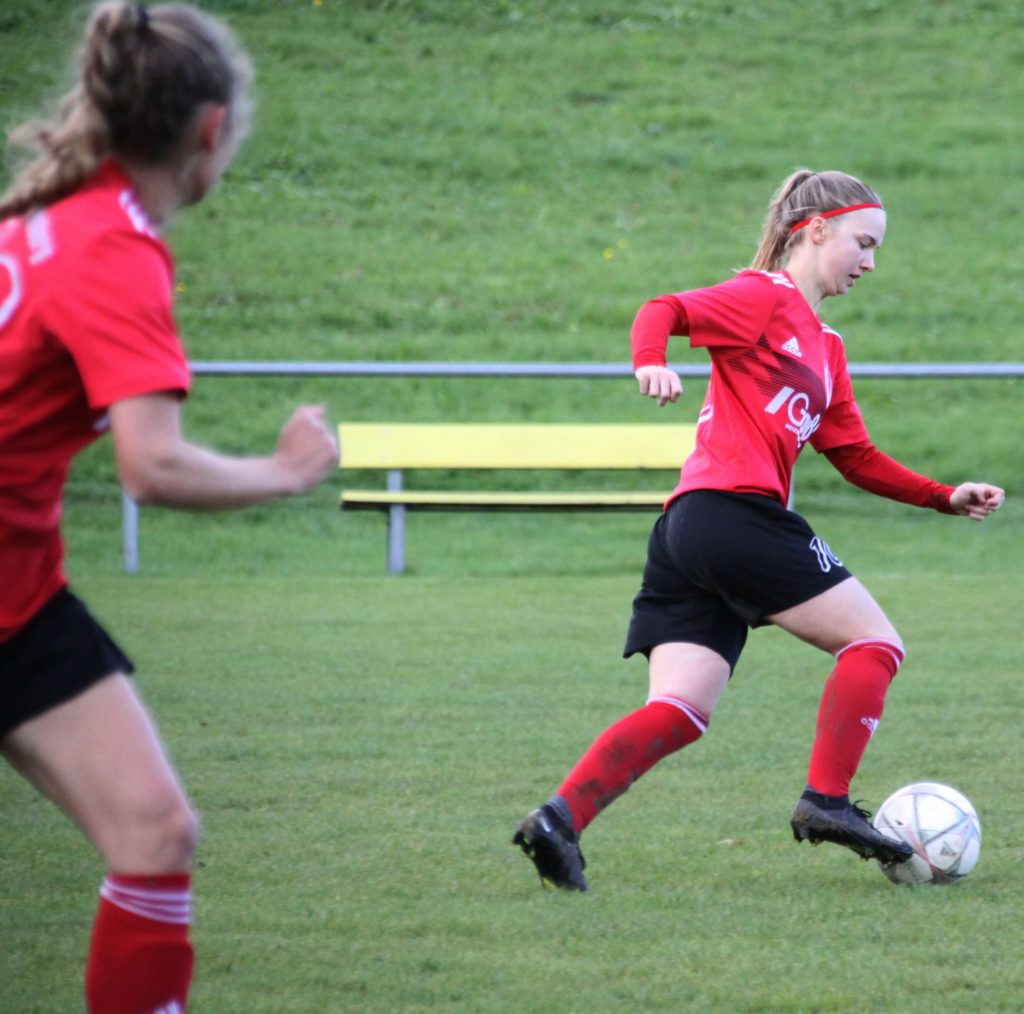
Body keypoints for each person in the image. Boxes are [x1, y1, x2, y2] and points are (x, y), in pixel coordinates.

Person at [512, 169, 1005, 892]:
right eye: (864, 243)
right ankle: (826, 800)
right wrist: (651, 365)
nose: (870, 263)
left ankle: (558, 821)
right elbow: (662, 309)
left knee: (681, 710)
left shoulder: (826, 348)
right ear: (817, 231)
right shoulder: (763, 298)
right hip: (730, 514)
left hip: (691, 530)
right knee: (874, 645)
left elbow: (856, 457)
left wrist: (943, 497)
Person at [0, 3, 338, 1010]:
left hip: (20, 594)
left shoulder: (42, 223)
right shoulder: (110, 245)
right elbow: (151, 466)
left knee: (155, 831)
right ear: (210, 130)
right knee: (154, 833)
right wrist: (286, 471)